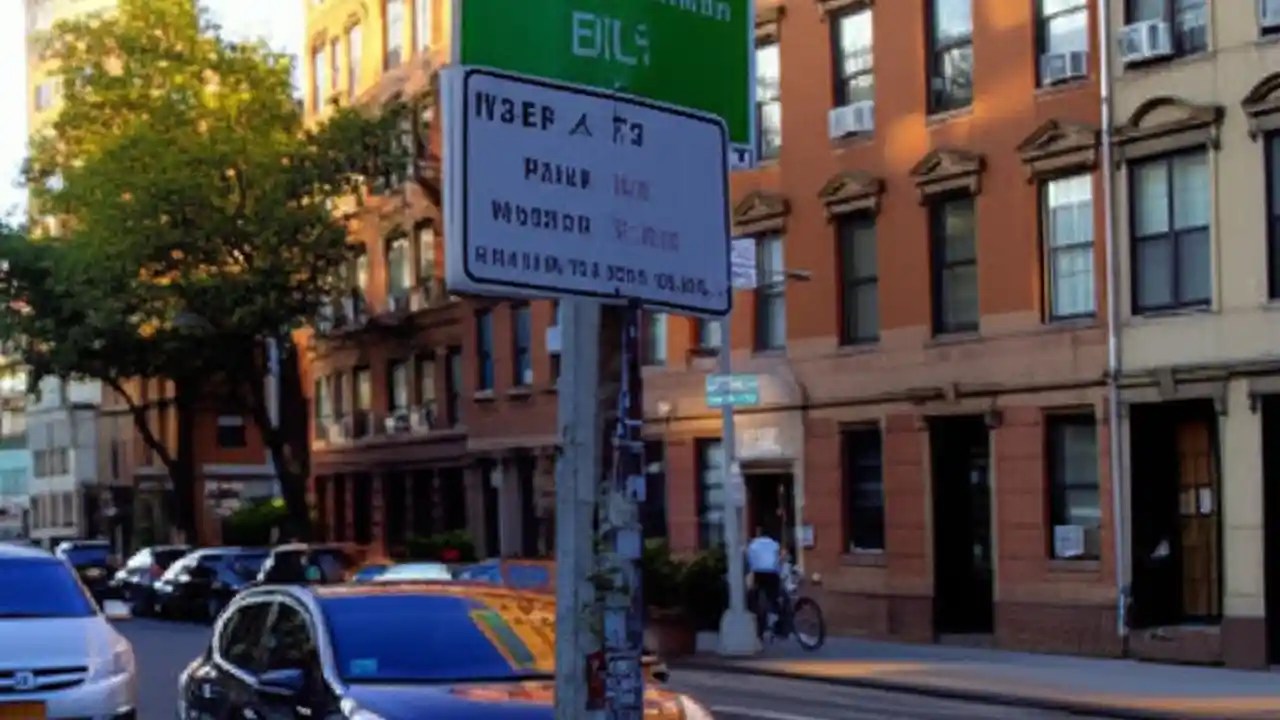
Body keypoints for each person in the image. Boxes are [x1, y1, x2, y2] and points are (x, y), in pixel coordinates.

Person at [745, 525, 783, 638]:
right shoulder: (775, 544)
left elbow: (749, 560)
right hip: (772, 572)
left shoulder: (753, 544)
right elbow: (779, 558)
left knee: (754, 596)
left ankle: (756, 618)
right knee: (774, 597)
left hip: (758, 573)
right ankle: (775, 619)